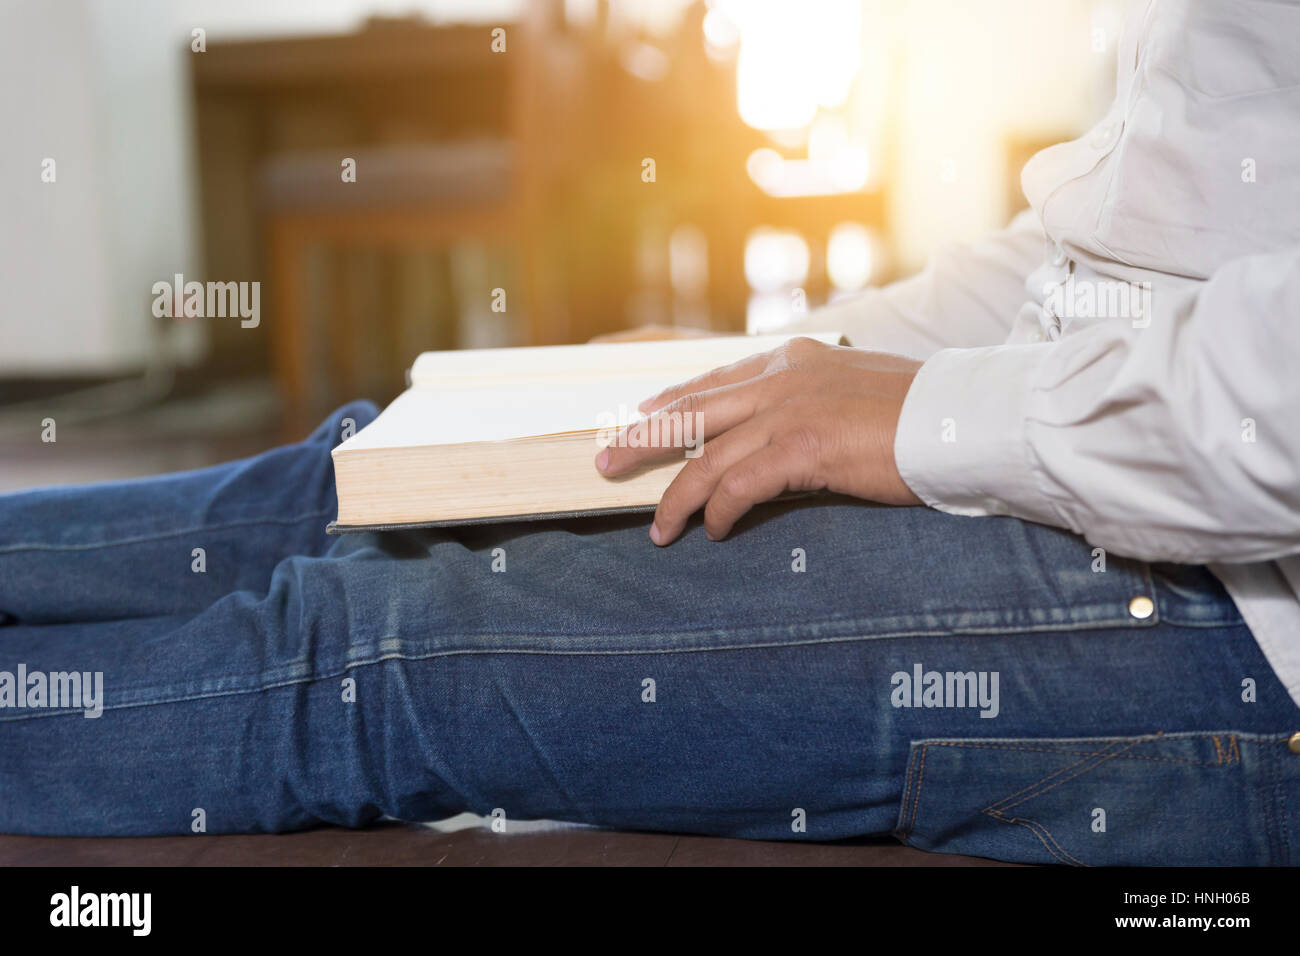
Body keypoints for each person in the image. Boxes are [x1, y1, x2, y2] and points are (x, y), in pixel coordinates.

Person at [2, 0, 1298, 865]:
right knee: (365, 469)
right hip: (1128, 426)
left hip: (1237, 614)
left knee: (380, 643)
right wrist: (780, 367)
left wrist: (923, 414)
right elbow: (1107, 259)